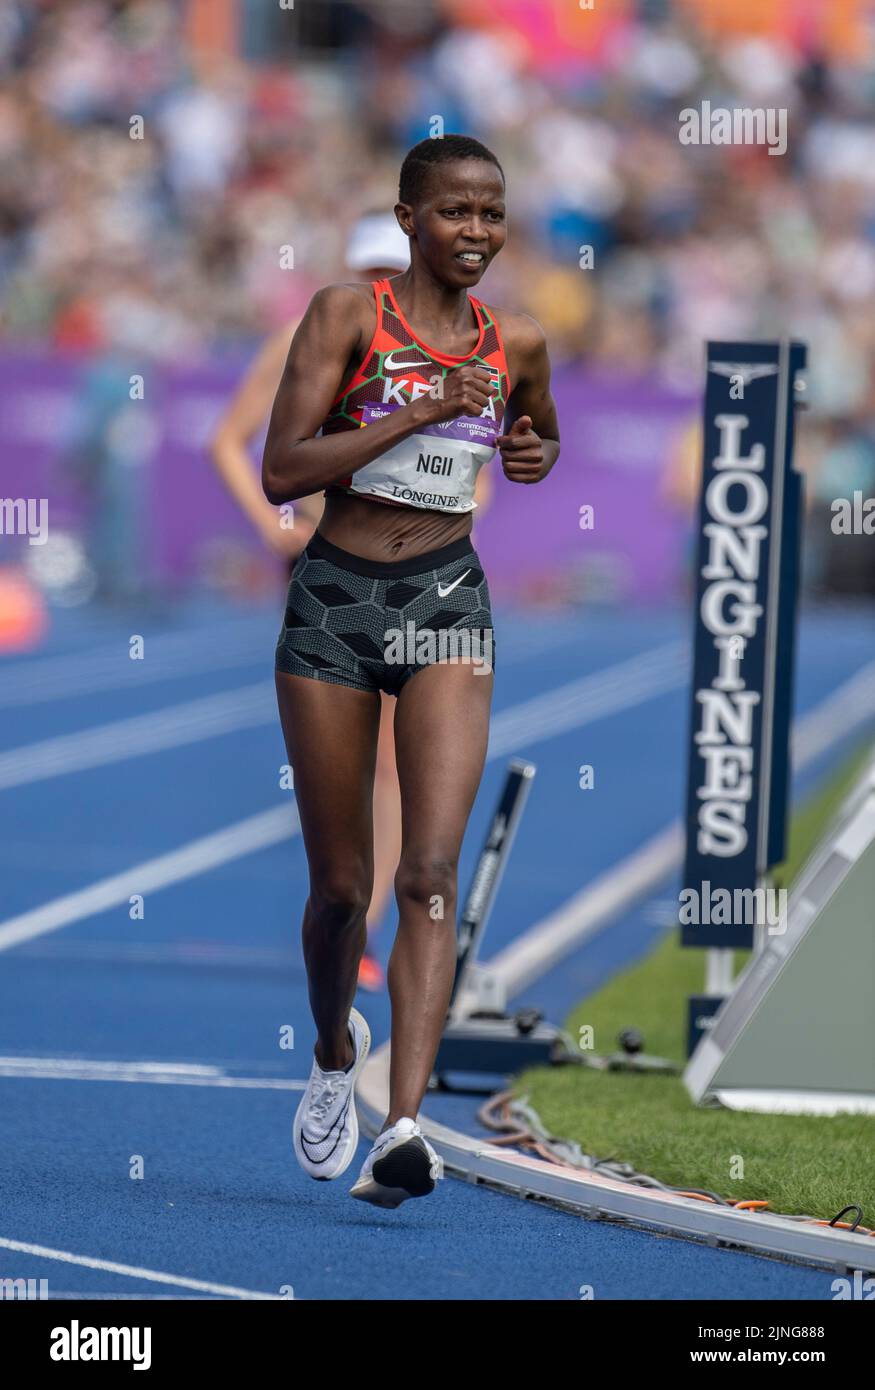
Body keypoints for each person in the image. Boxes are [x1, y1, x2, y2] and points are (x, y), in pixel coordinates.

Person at [262, 134, 559, 1206]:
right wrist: (422, 409)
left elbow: (537, 442)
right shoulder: (349, 316)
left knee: (427, 872)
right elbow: (280, 469)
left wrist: (528, 454)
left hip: (446, 604)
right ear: (407, 219)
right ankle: (335, 1052)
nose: (474, 231)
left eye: (490, 213)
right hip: (334, 604)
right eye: (453, 213)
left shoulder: (516, 340)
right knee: (342, 890)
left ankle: (402, 1125)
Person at [210, 214, 494, 991]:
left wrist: (431, 526)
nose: (379, 287)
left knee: (397, 766)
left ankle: (369, 931)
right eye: (369, 271)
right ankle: (345, 912)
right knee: (343, 766)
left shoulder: (450, 344)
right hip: (326, 563)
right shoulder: (311, 334)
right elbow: (228, 441)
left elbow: (480, 478)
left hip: (413, 574)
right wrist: (278, 526)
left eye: (389, 272)